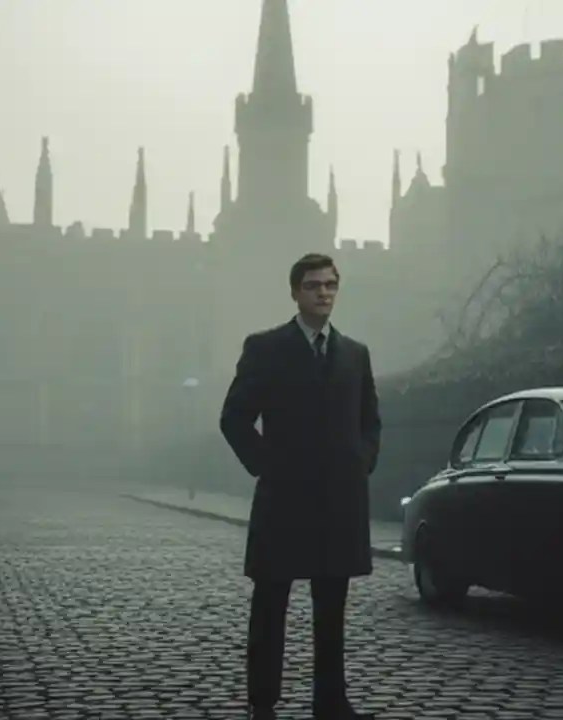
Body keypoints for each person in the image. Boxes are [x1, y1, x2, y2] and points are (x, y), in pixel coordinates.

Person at [219, 253, 380, 720]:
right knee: (271, 604)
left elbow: (370, 421)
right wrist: (268, 466)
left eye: (330, 285)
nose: (323, 293)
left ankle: (331, 702)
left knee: (332, 610)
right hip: (284, 501)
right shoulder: (266, 348)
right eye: (313, 285)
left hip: (338, 502)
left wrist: (361, 462)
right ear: (295, 292)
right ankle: (263, 702)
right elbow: (234, 418)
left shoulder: (355, 354)